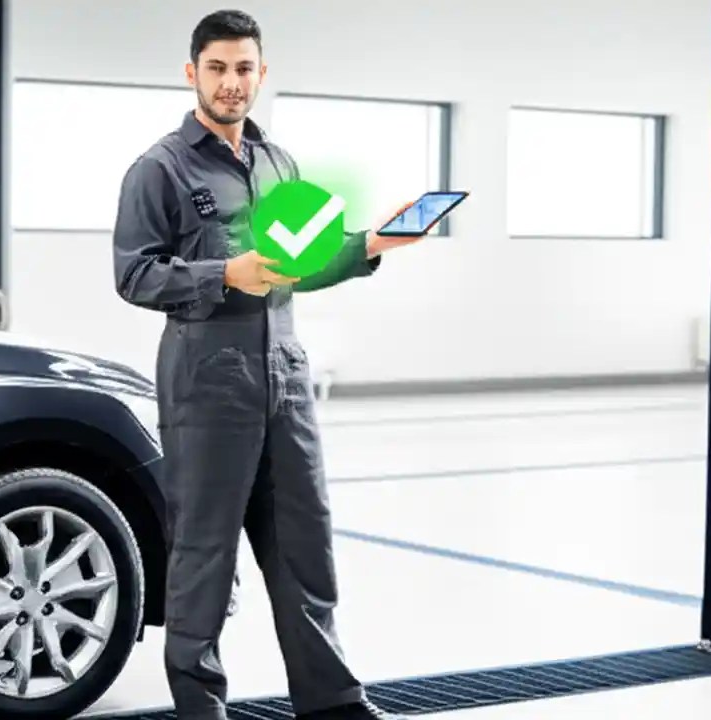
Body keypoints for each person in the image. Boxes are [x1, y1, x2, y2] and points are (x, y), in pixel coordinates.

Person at [111, 9, 429, 720]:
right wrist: (225, 274)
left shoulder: (277, 163)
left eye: (244, 68)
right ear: (192, 72)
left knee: (304, 546)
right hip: (207, 381)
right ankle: (201, 709)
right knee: (205, 555)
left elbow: (304, 263)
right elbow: (134, 275)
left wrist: (373, 242)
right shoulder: (158, 169)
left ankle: (333, 702)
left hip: (284, 373)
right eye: (218, 68)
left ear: (261, 73)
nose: (231, 83)